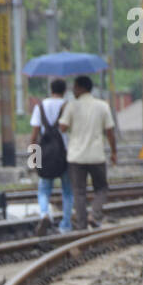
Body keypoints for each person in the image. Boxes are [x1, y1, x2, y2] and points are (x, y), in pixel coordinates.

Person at [58, 75, 116, 230]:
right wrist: (114, 152)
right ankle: (94, 214)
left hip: (76, 157)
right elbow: (110, 132)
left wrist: (64, 112)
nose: (73, 90)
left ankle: (82, 226)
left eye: (75, 87)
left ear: (82, 88)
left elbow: (62, 128)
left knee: (79, 192)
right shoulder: (103, 106)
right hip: (97, 156)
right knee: (102, 188)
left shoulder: (71, 106)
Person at [29, 78, 73, 234]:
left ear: (51, 89)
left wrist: (33, 159)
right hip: (65, 155)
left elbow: (34, 136)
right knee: (68, 191)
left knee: (43, 190)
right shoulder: (68, 105)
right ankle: (66, 225)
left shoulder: (39, 107)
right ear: (65, 90)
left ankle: (44, 213)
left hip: (45, 154)